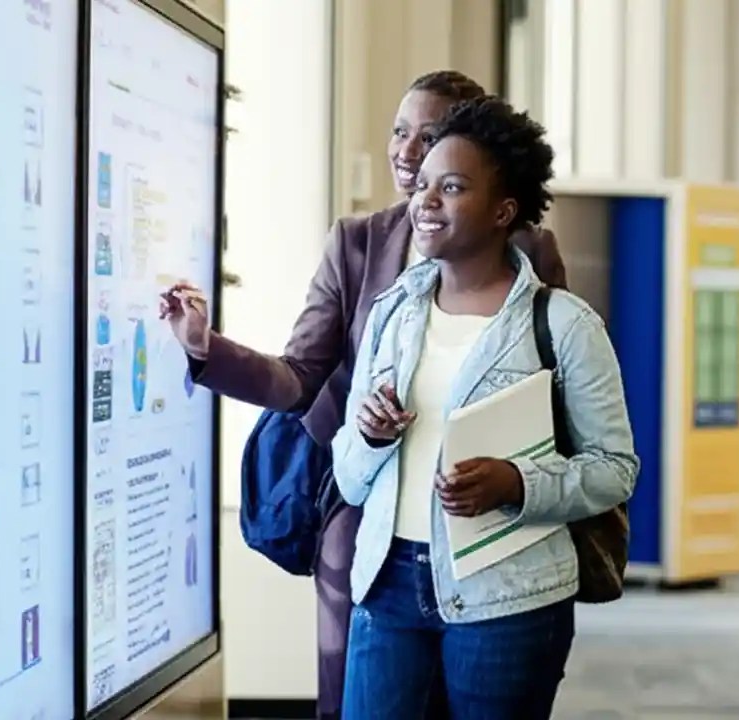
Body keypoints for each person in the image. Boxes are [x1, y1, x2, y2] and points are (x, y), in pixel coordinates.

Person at [159, 71, 567, 720]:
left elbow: (553, 390)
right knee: (356, 695)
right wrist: (206, 348)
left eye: (427, 136)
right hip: (367, 496)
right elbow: (298, 378)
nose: (408, 152)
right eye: (398, 132)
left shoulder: (525, 249)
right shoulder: (357, 243)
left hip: (480, 504)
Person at [331, 95, 638, 719]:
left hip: (509, 596)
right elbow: (350, 477)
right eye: (422, 187)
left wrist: (516, 483)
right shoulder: (393, 314)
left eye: (451, 187)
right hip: (386, 586)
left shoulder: (565, 325)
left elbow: (615, 468)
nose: (426, 201)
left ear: (503, 211)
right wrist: (369, 436)